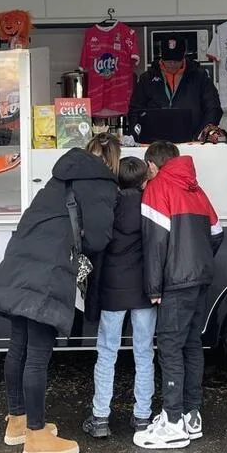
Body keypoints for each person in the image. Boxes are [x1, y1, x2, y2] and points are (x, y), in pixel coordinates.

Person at [0, 132, 120, 453]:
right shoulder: (103, 185)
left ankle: (18, 421)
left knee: (19, 345)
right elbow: (99, 240)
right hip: (49, 271)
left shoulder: (59, 178)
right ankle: (37, 436)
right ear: (112, 161)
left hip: (18, 262)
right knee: (38, 354)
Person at [133, 140, 223, 449]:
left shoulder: (158, 187)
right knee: (191, 345)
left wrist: (154, 287)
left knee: (170, 347)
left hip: (174, 283)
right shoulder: (196, 189)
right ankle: (191, 415)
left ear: (153, 166)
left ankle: (171, 423)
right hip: (200, 280)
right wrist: (199, 262)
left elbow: (155, 243)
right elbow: (217, 232)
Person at [82, 156, 158, 438]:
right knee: (144, 353)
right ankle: (142, 417)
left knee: (106, 353)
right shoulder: (151, 206)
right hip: (144, 290)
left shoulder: (107, 208)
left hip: (112, 291)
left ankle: (100, 417)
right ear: (143, 179)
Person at [127, 34, 223, 141]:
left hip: (193, 141)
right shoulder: (147, 79)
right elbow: (135, 110)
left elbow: (213, 108)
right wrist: (136, 136)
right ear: (161, 56)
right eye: (168, 60)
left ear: (183, 56)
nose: (172, 64)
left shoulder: (200, 77)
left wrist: (202, 134)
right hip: (154, 144)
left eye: (176, 60)